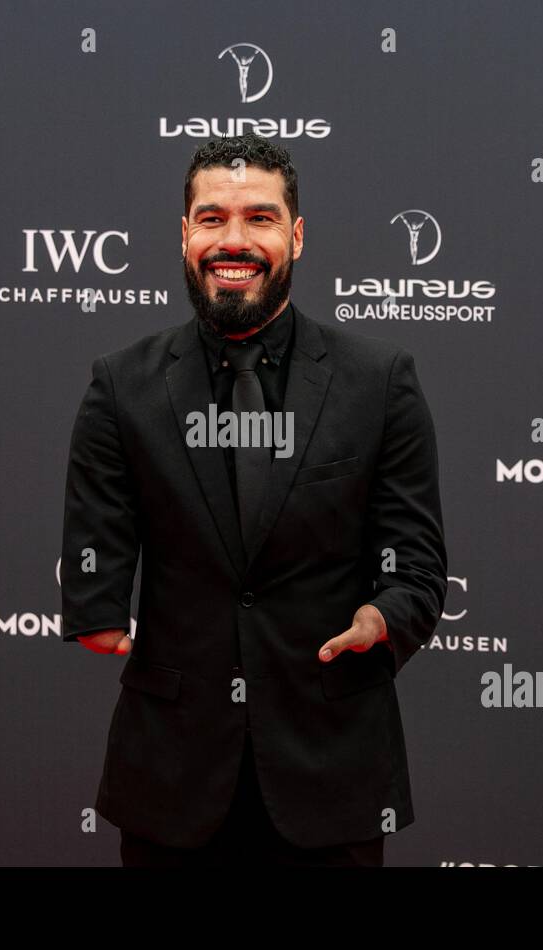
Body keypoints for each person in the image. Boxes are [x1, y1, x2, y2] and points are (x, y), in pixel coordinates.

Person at [61, 133, 447, 866]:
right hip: (170, 781)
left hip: (329, 770)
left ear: (296, 236)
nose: (233, 240)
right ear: (184, 234)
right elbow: (94, 572)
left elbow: (418, 569)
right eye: (212, 218)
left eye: (260, 218)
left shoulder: (379, 382)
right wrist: (98, 613)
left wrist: (383, 617)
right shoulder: (120, 387)